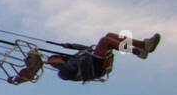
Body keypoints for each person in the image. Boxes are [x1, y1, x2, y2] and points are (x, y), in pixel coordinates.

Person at [8, 33, 159, 85]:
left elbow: (84, 48)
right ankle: (137, 52)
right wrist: (51, 63)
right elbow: (65, 68)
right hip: (93, 67)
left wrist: (69, 45)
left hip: (93, 61)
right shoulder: (63, 72)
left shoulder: (73, 58)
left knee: (109, 36)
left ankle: (142, 45)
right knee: (105, 41)